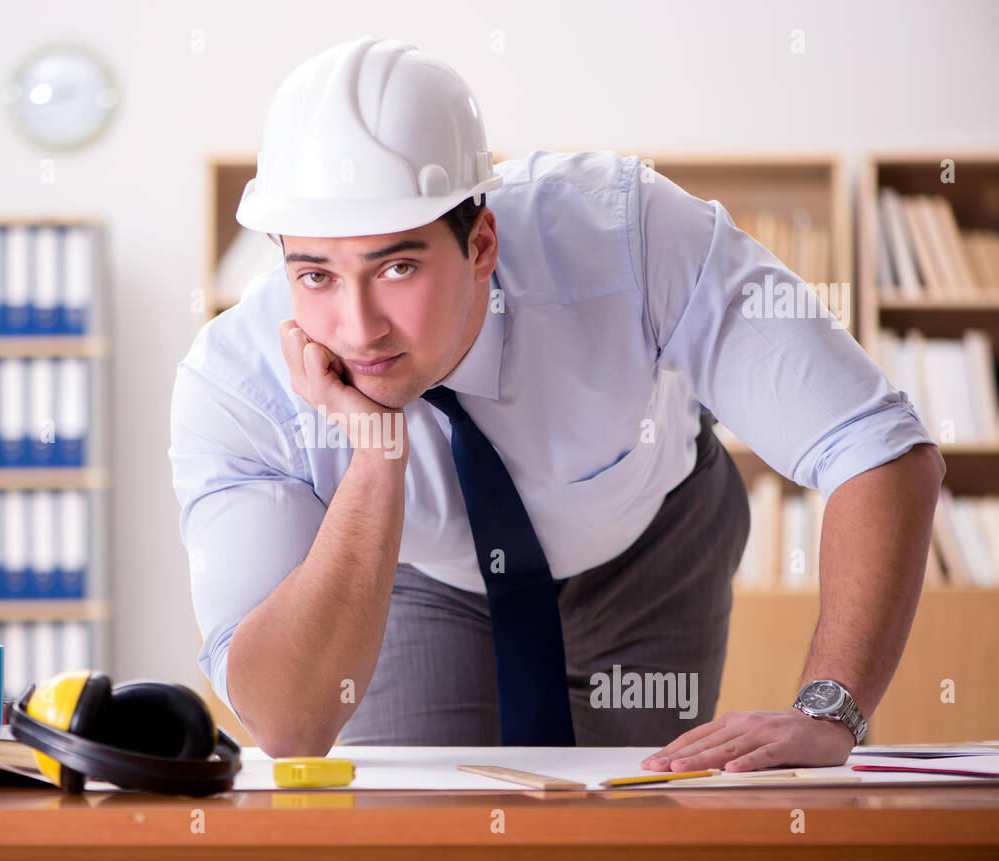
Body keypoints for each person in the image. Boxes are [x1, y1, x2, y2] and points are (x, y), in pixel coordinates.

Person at [168, 35, 945, 772]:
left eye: (398, 267)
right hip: (411, 568)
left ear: (481, 244)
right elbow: (288, 723)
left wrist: (828, 711)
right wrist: (376, 458)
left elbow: (878, 445)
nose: (358, 325)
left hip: (648, 549)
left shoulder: (626, 236)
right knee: (429, 833)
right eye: (315, 275)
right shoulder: (238, 382)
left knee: (626, 824)